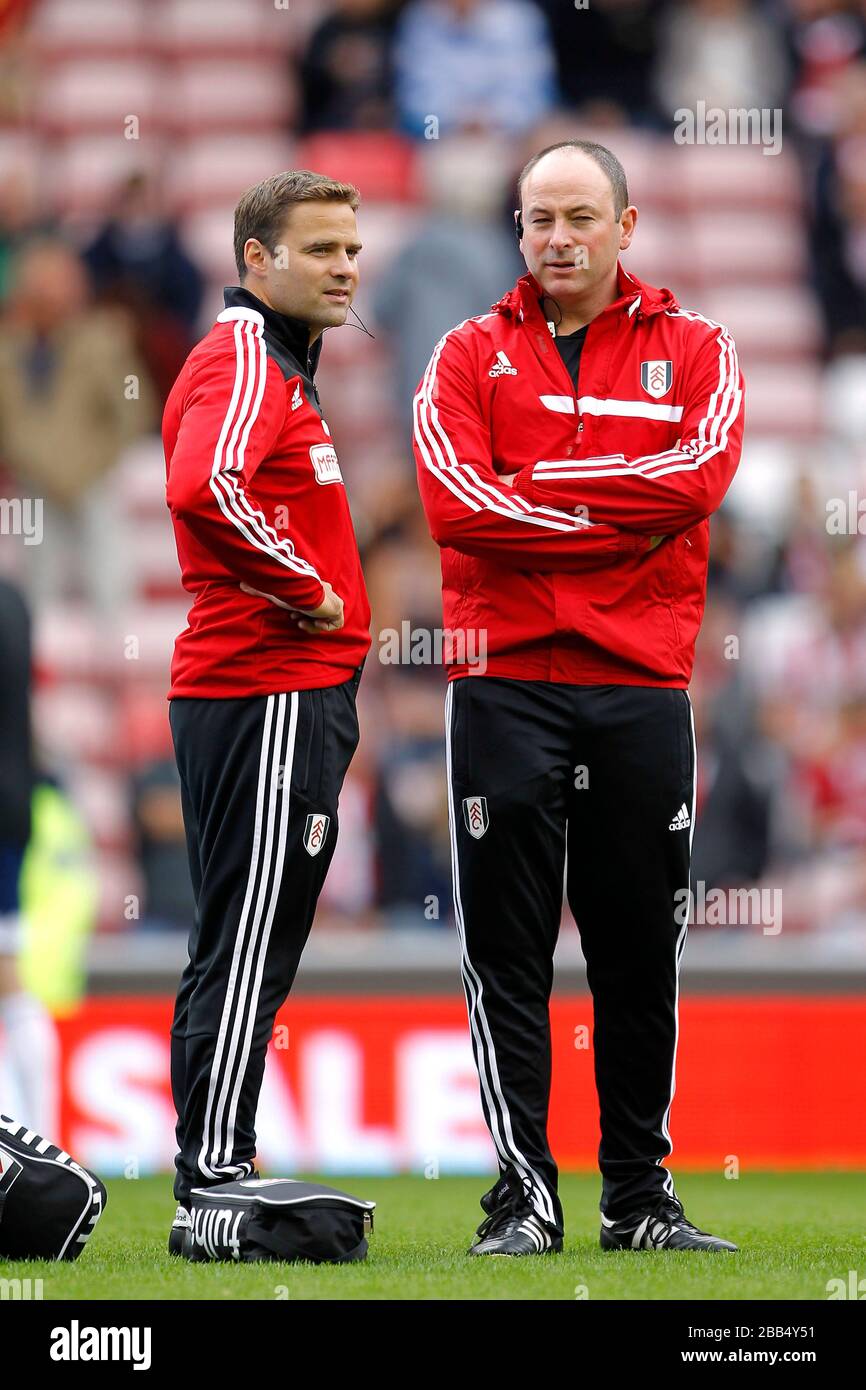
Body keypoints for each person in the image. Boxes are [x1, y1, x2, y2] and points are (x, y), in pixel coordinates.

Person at [413, 139, 744, 1255]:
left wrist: (538, 491)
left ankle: (636, 1196)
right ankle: (523, 1195)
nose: (555, 237)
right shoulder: (463, 354)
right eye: (535, 218)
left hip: (640, 686)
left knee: (635, 948)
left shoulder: (698, 348)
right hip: (502, 684)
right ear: (516, 229)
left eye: (577, 217)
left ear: (625, 225)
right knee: (505, 949)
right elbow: (457, 508)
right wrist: (616, 514)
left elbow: (698, 479)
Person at [163, 170, 371, 1254]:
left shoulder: (278, 362)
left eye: (351, 248)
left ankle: (216, 1161)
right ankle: (213, 1172)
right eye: (321, 248)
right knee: (249, 942)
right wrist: (310, 589)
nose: (346, 267)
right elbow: (206, 486)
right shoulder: (245, 355)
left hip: (271, 689)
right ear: (256, 260)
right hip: (268, 685)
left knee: (243, 938)